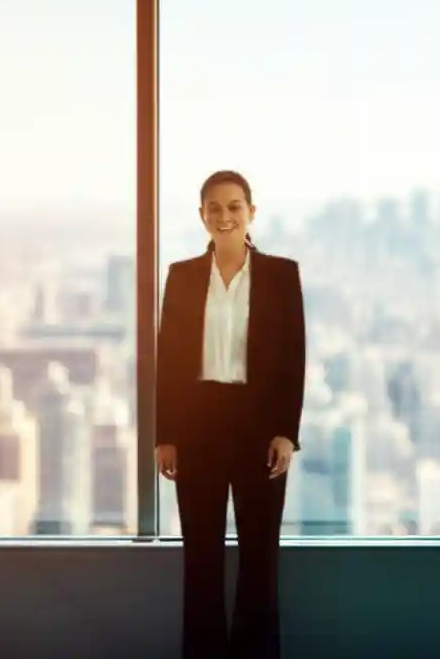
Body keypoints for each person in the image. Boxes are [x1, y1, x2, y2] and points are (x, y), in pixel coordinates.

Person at [155, 169, 306, 658]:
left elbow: (292, 358)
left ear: (251, 213)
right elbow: (170, 359)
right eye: (214, 208)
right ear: (202, 216)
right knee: (201, 559)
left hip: (259, 429)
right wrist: (166, 435)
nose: (225, 216)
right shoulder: (181, 276)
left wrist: (286, 432)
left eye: (234, 206)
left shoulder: (282, 275)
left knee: (259, 560)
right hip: (198, 427)